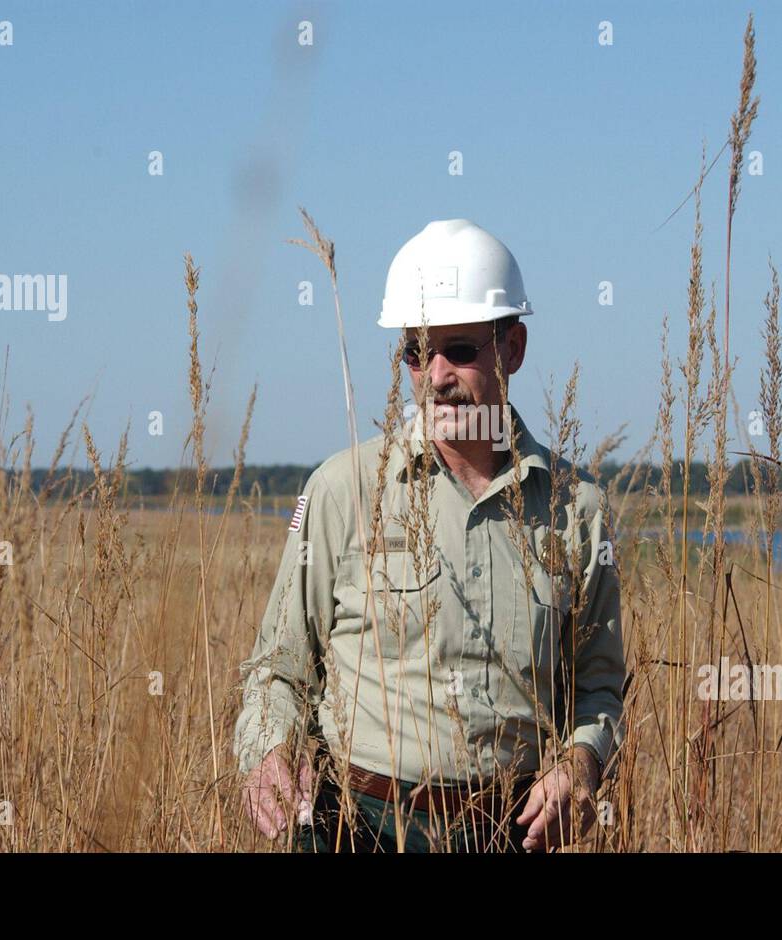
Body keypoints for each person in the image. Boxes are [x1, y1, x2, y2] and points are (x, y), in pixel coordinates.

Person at [234, 219, 625, 853]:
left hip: (510, 831)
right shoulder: (342, 491)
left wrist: (581, 764)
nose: (435, 375)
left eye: (460, 351)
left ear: (514, 348)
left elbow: (600, 688)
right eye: (416, 351)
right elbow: (278, 669)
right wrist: (269, 749)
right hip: (356, 826)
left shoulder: (577, 511)